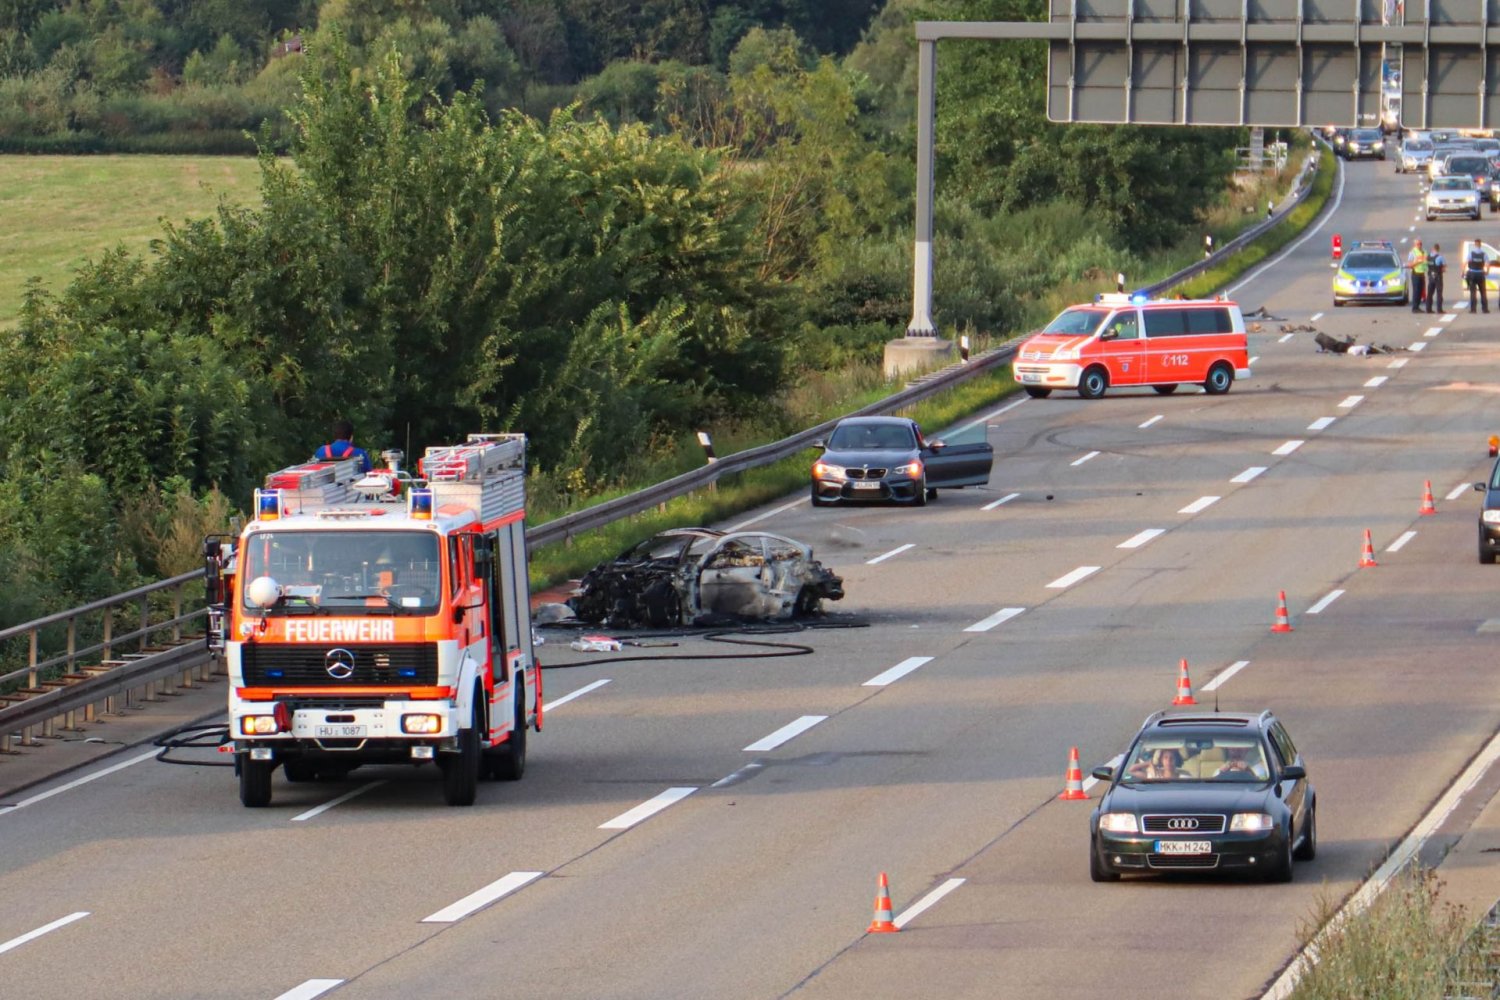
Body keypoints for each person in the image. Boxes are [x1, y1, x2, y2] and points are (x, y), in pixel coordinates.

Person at [1467, 239, 1490, 313]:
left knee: (1473, 292)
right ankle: (1485, 309)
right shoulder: (1484, 254)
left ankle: (1473, 309)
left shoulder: (1471, 253)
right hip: (1481, 274)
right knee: (1483, 292)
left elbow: (1465, 262)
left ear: (1475, 245)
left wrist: (1463, 272)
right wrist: (1487, 272)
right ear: (1480, 245)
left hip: (1472, 274)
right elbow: (1487, 264)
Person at [1407, 239, 1428, 313]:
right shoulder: (1412, 252)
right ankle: (1415, 307)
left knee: (1420, 291)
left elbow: (1426, 261)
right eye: (1418, 244)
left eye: (1420, 244)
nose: (1419, 245)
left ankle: (1418, 306)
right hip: (1415, 273)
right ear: (1415, 245)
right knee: (1416, 291)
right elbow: (1409, 264)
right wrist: (1417, 262)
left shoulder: (1424, 251)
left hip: (1422, 273)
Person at [1427, 243, 1445, 313]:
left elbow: (1427, 265)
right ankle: (1439, 309)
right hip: (1438, 277)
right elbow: (1444, 267)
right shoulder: (1440, 257)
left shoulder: (1428, 257)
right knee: (1439, 293)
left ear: (1433, 249)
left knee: (1430, 293)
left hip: (1430, 276)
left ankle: (1428, 309)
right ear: (1438, 249)